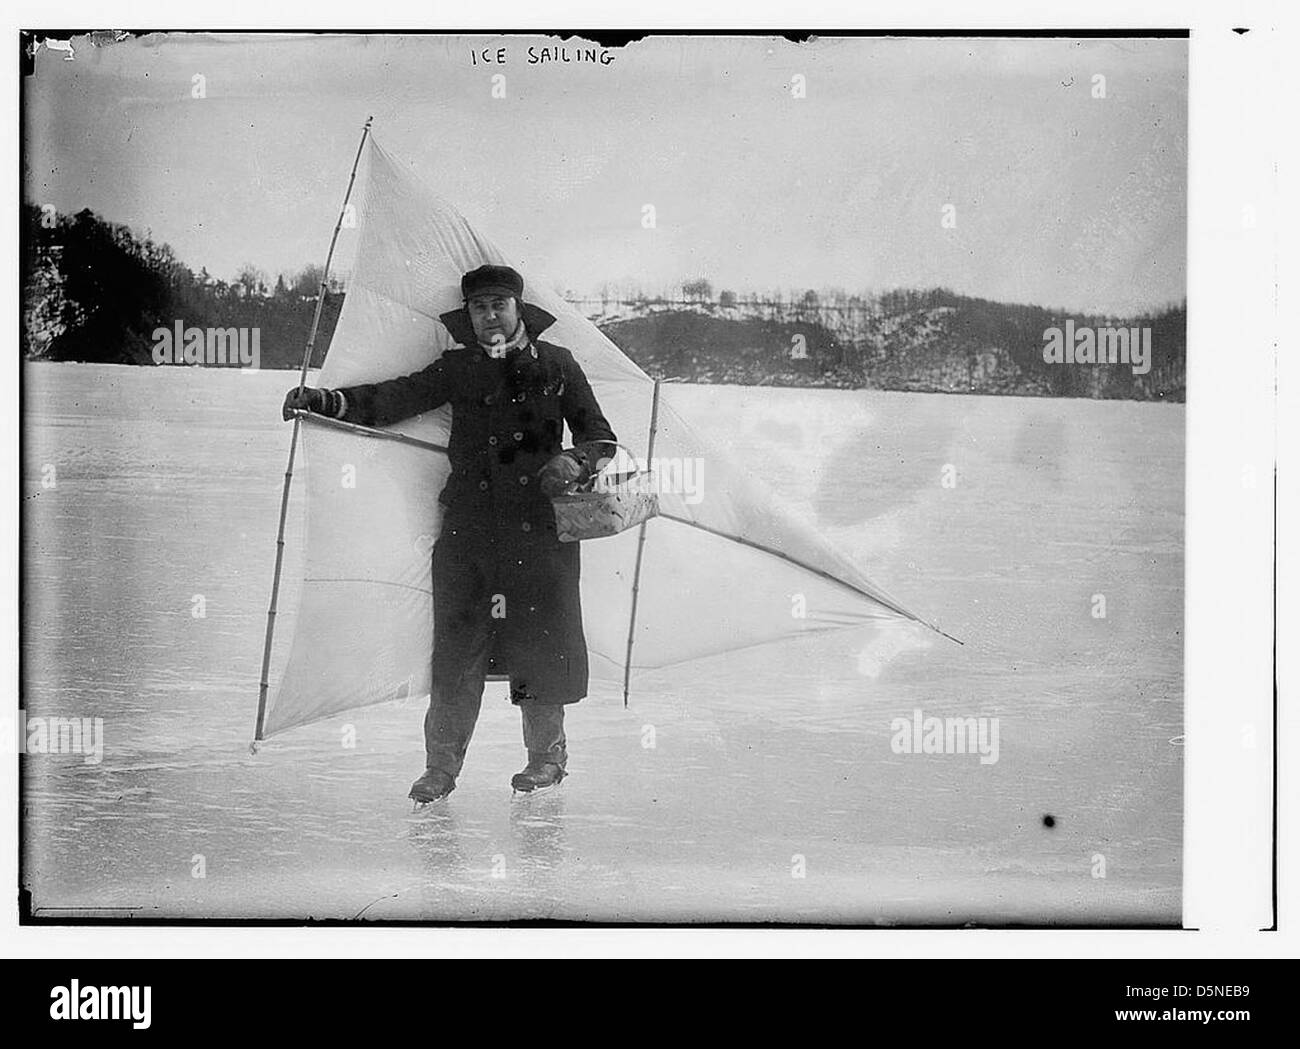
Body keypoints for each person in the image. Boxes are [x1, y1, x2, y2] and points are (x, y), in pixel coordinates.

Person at [283, 264, 617, 802]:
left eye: (499, 306)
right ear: (469, 315)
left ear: (518, 310)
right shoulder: (458, 368)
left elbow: (600, 438)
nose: (490, 316)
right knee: (457, 654)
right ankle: (440, 770)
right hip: (469, 533)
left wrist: (572, 463)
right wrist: (322, 401)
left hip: (540, 537)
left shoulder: (557, 366)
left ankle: (547, 760)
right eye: (479, 307)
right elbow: (394, 399)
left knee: (540, 651)